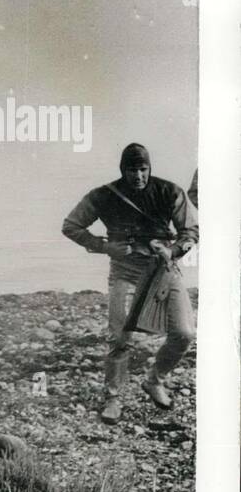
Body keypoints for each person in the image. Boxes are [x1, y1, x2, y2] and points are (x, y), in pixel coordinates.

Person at [62, 142, 197, 424]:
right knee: (120, 337)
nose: (138, 176)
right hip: (124, 271)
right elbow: (71, 225)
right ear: (123, 170)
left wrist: (173, 251)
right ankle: (113, 398)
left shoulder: (169, 191)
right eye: (132, 170)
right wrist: (103, 246)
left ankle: (155, 380)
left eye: (143, 169)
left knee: (184, 333)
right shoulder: (104, 195)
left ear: (150, 168)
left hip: (162, 269)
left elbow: (191, 230)